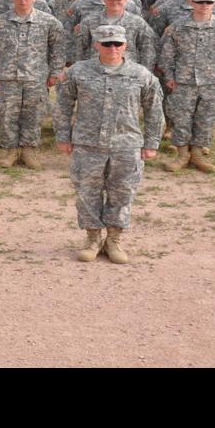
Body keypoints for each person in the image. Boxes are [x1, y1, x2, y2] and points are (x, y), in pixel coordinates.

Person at [55, 24, 162, 264]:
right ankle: (93, 239)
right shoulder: (78, 72)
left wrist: (152, 142)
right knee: (87, 193)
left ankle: (114, 240)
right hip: (87, 144)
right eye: (106, 43)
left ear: (125, 45)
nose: (112, 48)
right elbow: (63, 105)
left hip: (126, 145)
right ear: (97, 45)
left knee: (122, 193)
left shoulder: (141, 75)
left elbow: (154, 110)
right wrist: (63, 136)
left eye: (117, 43)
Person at [0, 0, 63, 169]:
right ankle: (11, 151)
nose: (23, 0)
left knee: (34, 114)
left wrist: (55, 72)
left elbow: (57, 50)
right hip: (7, 78)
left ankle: (28, 151)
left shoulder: (49, 23)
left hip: (36, 78)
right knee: (7, 114)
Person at [157, 0, 215, 173]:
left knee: (205, 118)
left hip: (210, 82)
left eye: (208, 2)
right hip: (183, 82)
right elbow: (167, 54)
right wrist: (169, 77)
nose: (204, 6)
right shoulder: (178, 27)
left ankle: (198, 155)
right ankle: (182, 155)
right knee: (181, 118)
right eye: (200, 2)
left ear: (214, 4)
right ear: (192, 3)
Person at [73, 0, 156, 68]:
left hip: (128, 71)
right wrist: (80, 69)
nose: (114, 2)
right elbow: (80, 48)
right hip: (96, 70)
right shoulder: (89, 21)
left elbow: (147, 49)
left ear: (126, 0)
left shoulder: (138, 22)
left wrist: (146, 70)